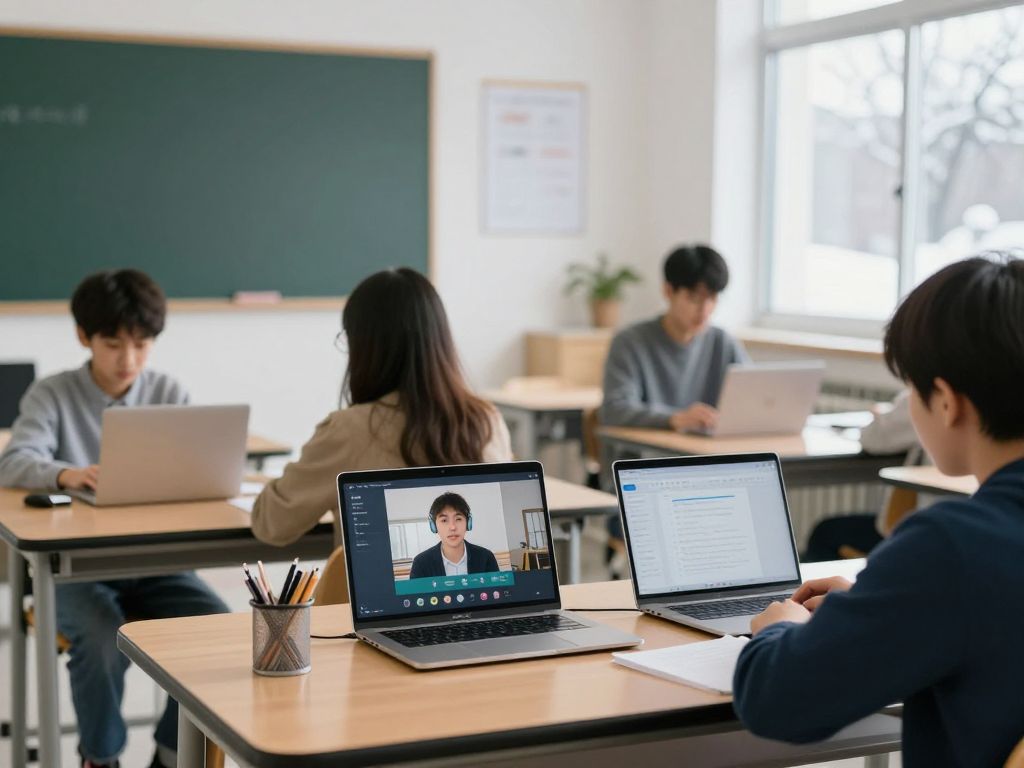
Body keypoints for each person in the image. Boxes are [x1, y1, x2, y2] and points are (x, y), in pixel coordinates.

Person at [733, 253, 1024, 766]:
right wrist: (879, 604)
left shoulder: (953, 547)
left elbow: (777, 701)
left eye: (910, 386)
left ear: (946, 401)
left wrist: (778, 629)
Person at [0, 269, 228, 768]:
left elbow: (195, 468)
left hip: (158, 564)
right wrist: (66, 475)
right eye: (113, 344)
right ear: (84, 337)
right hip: (74, 570)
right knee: (103, 638)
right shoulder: (52, 394)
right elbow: (13, 461)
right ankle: (100, 758)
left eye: (142, 345)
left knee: (217, 630)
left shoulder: (168, 391)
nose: (129, 360)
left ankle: (173, 754)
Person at [251, 268, 513, 546]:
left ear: (365, 347)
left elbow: (271, 525)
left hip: (370, 592)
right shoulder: (486, 420)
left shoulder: (348, 431)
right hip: (487, 590)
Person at [599, 243, 749, 433]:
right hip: (648, 457)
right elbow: (614, 410)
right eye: (694, 298)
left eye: (712, 298)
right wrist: (675, 419)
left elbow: (754, 398)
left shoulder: (724, 342)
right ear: (668, 291)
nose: (704, 310)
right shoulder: (630, 343)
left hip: (708, 455)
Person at [802, 390, 926, 561]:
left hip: (916, 536)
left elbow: (873, 438)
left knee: (826, 532)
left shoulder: (925, 396)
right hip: (931, 531)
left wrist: (882, 415)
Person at [408, 491, 499, 578]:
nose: (452, 527)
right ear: (434, 526)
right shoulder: (421, 563)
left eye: (458, 519)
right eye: (444, 520)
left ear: (468, 523)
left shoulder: (486, 557)